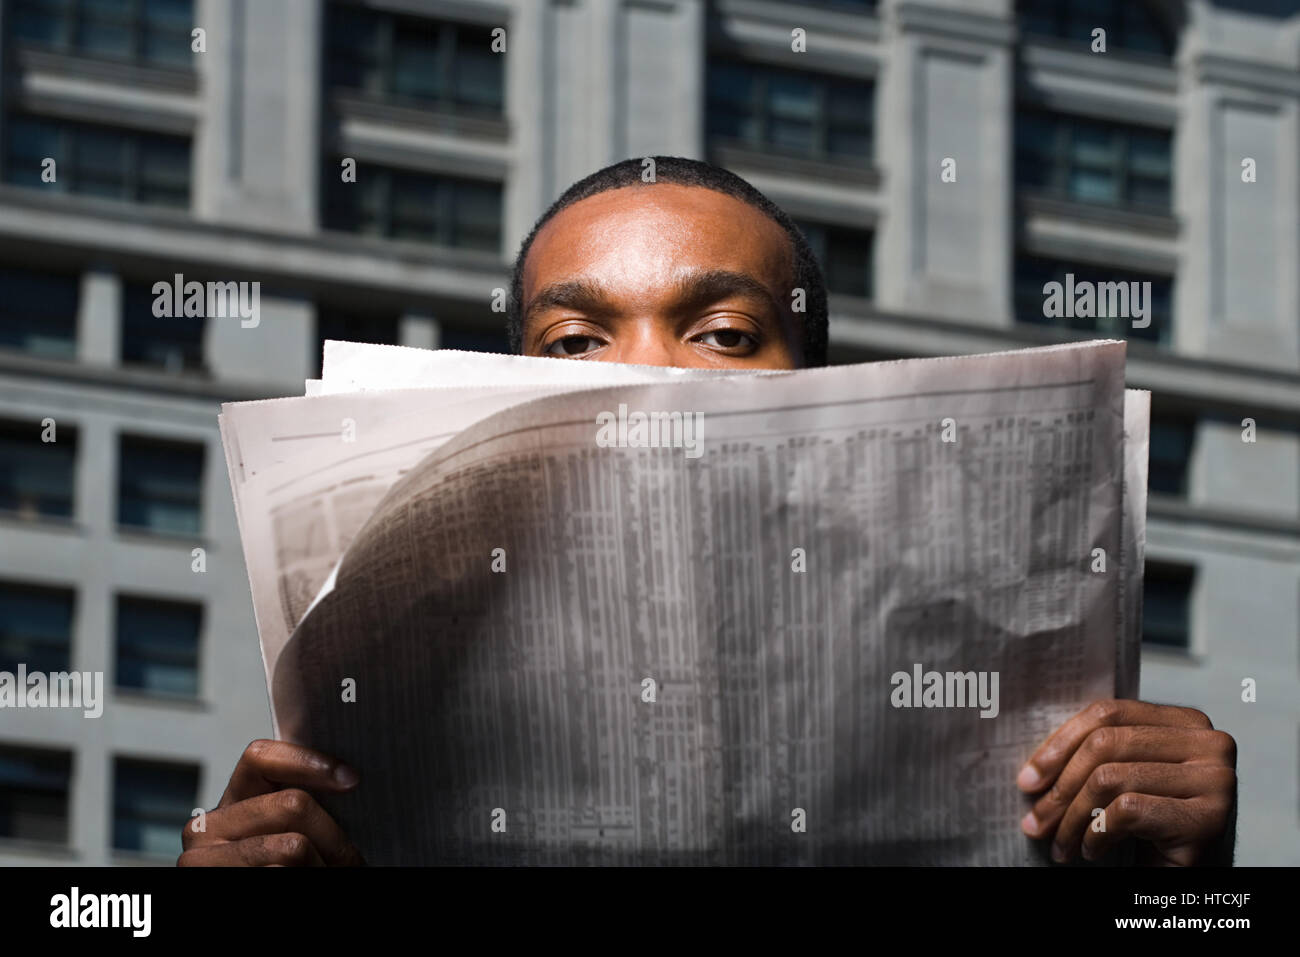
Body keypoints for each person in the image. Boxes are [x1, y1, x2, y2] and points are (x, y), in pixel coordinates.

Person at [179, 157, 1236, 867]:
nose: (647, 376)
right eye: (575, 343)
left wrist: (1181, 899)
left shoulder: (1022, 720)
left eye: (724, 334)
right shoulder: (363, 750)